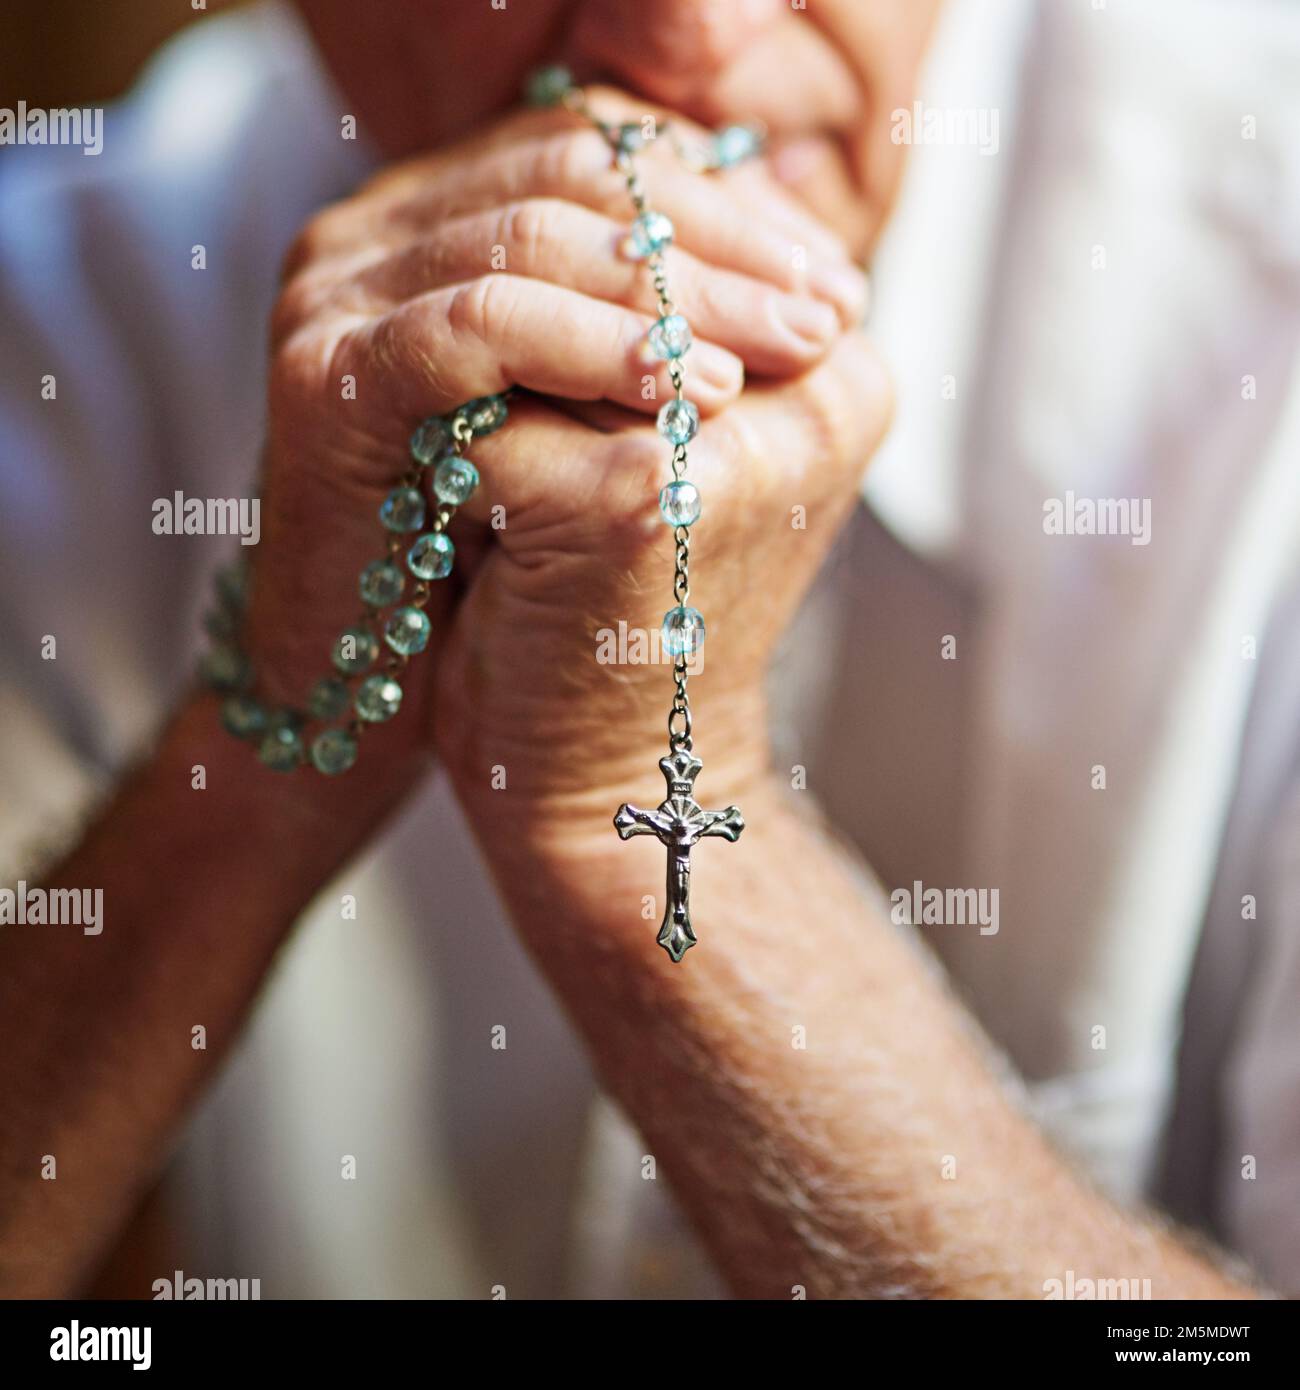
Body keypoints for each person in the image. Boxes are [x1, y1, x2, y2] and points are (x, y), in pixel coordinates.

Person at [0, 0, 1293, 1299]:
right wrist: (265, 744)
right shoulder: (73, 315)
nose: (691, 39)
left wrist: (671, 840)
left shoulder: (1262, 332)